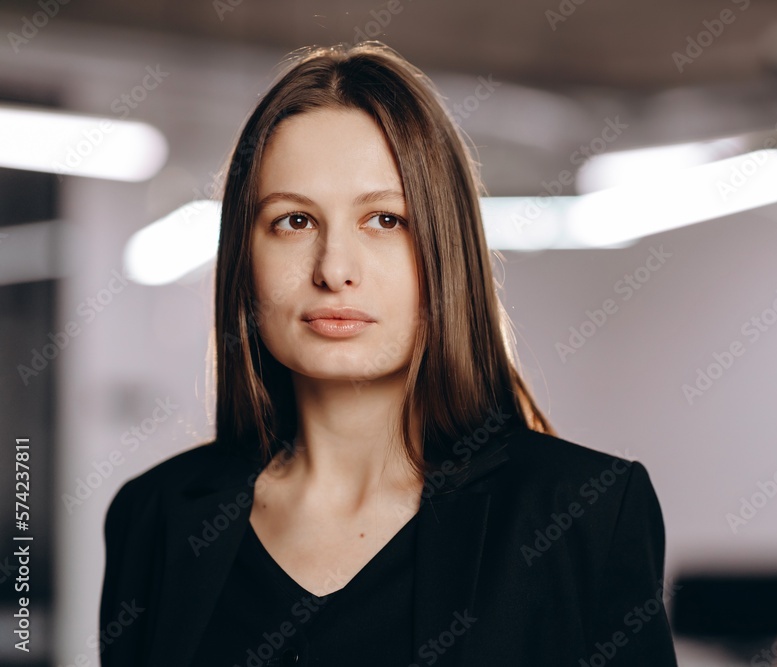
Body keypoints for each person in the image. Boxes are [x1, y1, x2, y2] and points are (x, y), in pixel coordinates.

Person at [99, 41, 679, 666]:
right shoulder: (154, 516)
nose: (334, 269)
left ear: (443, 249)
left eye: (385, 221)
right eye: (294, 222)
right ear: (245, 256)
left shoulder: (582, 512)